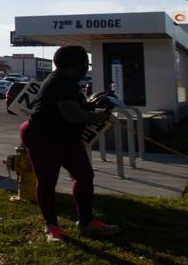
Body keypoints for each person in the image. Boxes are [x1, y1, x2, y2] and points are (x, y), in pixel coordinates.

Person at [20, 45, 120, 242]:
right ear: (78, 64)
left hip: (63, 136)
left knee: (84, 175)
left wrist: (90, 105)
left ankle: (87, 222)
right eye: (85, 63)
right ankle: (52, 227)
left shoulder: (65, 80)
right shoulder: (61, 83)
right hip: (43, 137)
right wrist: (98, 117)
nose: (86, 67)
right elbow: (72, 114)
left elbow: (71, 107)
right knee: (48, 181)